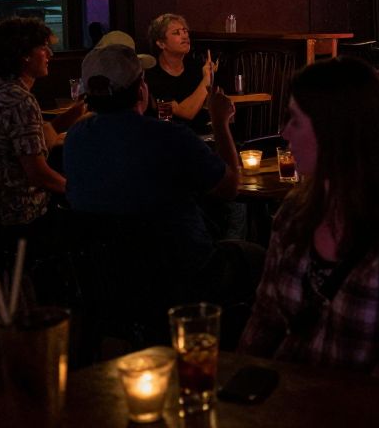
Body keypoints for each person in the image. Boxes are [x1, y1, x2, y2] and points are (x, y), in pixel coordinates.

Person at [239, 58, 379, 383]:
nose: (284, 133)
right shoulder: (294, 212)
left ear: (334, 130)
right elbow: (265, 320)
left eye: (295, 121)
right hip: (284, 404)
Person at [64, 40, 262, 306]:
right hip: (183, 272)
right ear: (142, 90)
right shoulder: (168, 136)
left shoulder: (76, 137)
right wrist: (220, 123)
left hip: (107, 278)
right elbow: (228, 189)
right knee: (259, 257)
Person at [0, 18, 84, 231]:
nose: (50, 54)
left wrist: (74, 114)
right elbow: (37, 174)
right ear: (24, 55)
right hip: (21, 214)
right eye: (43, 48)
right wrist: (81, 191)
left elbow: (32, 139)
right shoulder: (20, 102)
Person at [144, 13, 217, 135]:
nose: (185, 36)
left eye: (185, 31)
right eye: (176, 33)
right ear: (161, 44)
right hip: (168, 138)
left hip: (201, 135)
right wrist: (207, 79)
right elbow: (186, 113)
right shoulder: (153, 74)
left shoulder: (196, 68)